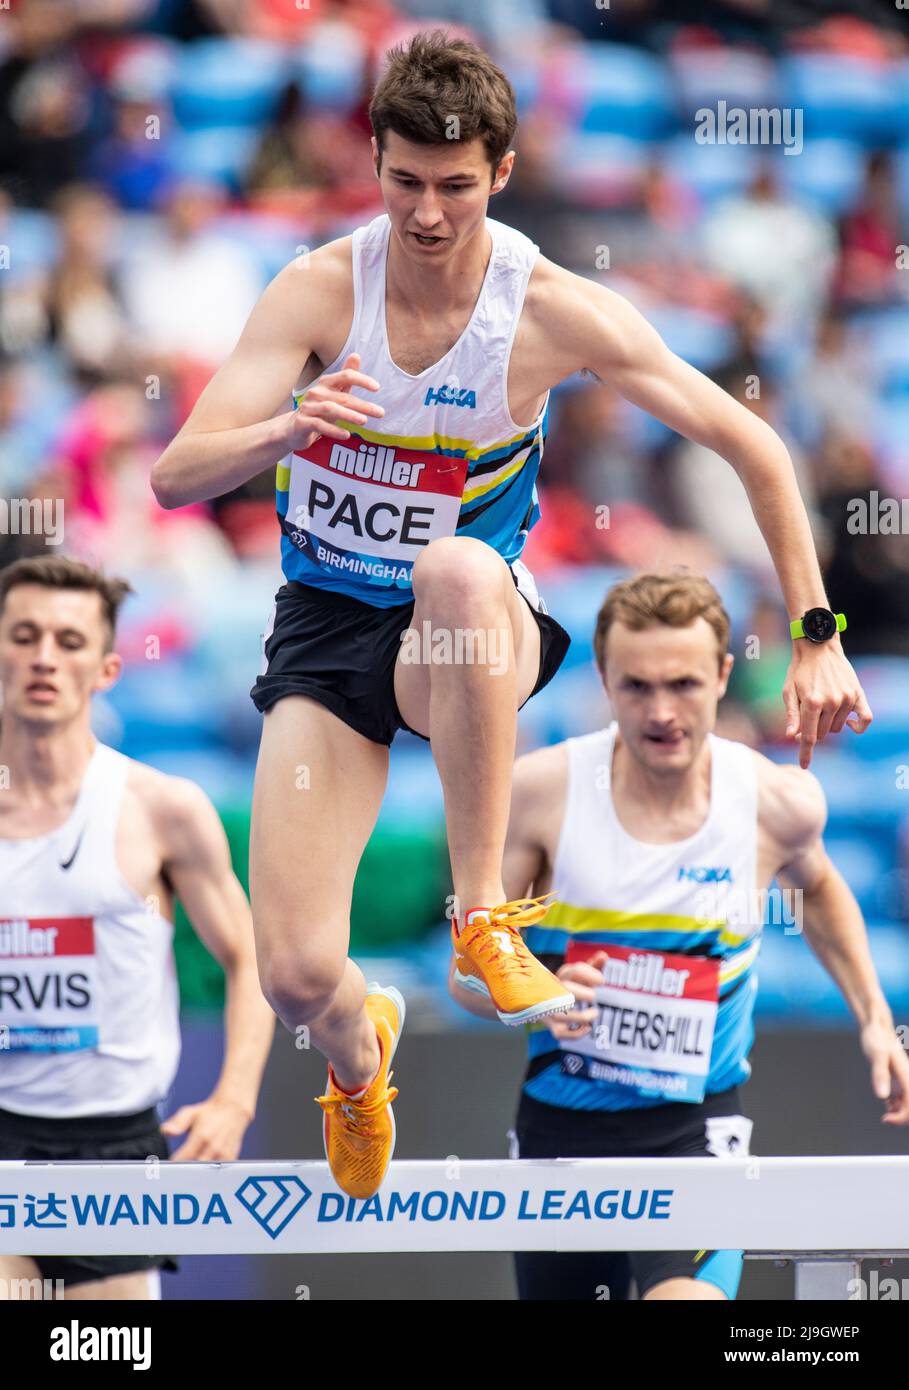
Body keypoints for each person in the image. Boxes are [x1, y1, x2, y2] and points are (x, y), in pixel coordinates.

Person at [150, 31, 872, 1201]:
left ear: (501, 170)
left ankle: (482, 912)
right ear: (373, 164)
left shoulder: (551, 313)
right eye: (402, 184)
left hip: (469, 638)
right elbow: (176, 475)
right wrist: (287, 429)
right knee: (292, 975)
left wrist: (814, 632)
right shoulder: (321, 288)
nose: (426, 216)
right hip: (328, 632)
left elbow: (753, 443)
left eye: (453, 187)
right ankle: (358, 1050)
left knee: (458, 572)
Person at [450, 571, 909, 1300]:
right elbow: (465, 979)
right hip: (560, 1137)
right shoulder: (538, 794)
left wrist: (874, 1019)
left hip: (694, 1135)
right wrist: (534, 997)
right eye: (635, 687)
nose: (662, 712)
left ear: (723, 675)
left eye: (684, 685)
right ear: (601, 678)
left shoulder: (772, 801)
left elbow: (817, 889)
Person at [0, 555, 275, 1300]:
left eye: (68, 640)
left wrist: (234, 1100)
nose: (44, 657)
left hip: (114, 1145)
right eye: (23, 635)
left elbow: (251, 956)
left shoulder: (160, 808)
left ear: (108, 668)